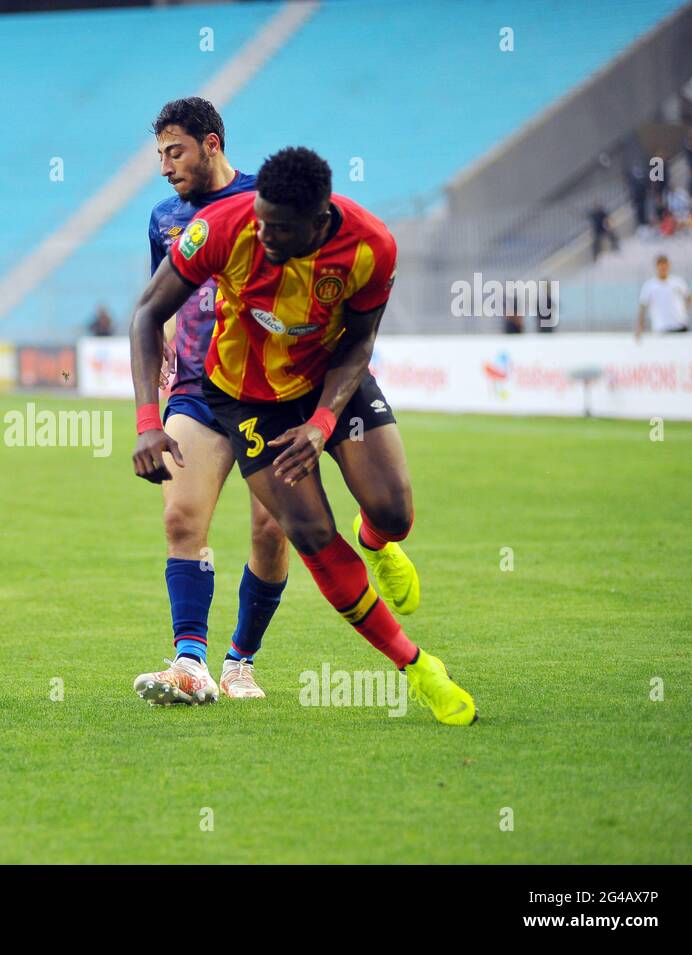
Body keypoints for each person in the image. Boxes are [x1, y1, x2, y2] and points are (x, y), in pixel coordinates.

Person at [129, 146, 477, 726]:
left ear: (318, 223)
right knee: (310, 532)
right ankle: (418, 667)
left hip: (328, 380)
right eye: (260, 219)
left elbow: (359, 342)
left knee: (394, 512)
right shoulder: (220, 226)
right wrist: (147, 423)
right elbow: (146, 314)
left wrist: (320, 426)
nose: (262, 234)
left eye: (279, 229)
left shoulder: (372, 247)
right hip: (244, 398)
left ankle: (376, 539)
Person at [131, 98, 287, 705]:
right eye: (160, 155)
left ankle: (241, 661)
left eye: (177, 152)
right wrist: (167, 346)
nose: (167, 166)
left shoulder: (264, 203)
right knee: (180, 519)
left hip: (270, 393)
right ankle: (190, 663)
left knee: (271, 531)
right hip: (197, 390)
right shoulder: (164, 216)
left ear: (212, 144)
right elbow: (157, 299)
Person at [636, 255, 691, 340]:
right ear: (657, 267)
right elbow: (643, 306)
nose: (663, 268)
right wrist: (640, 325)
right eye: (661, 266)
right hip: (661, 327)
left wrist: (685, 311)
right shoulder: (650, 285)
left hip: (680, 325)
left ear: (669, 266)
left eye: (665, 265)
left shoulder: (677, 282)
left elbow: (688, 296)